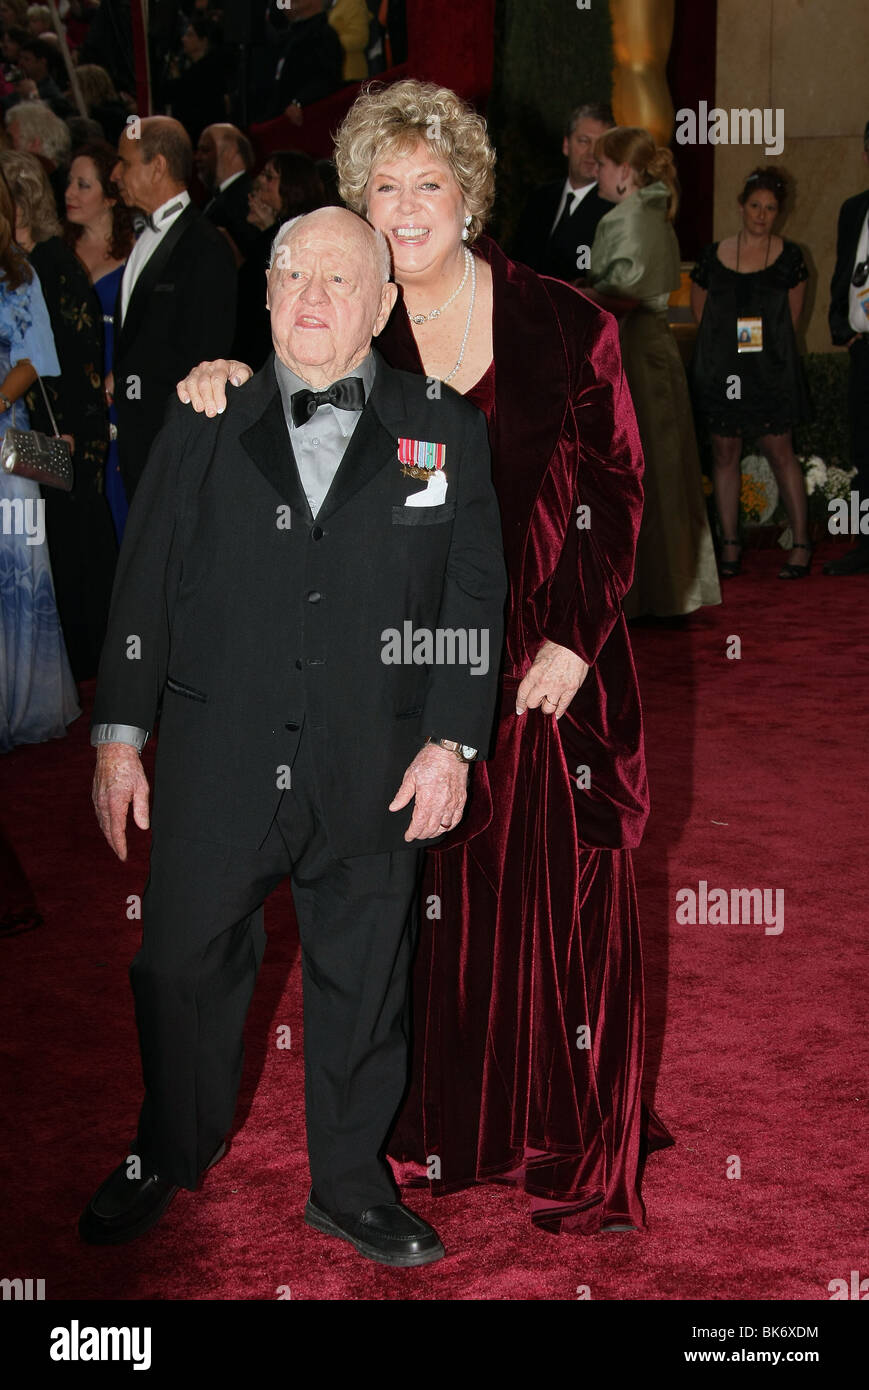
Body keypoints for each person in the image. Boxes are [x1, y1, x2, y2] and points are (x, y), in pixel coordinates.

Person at [178, 79, 673, 1236]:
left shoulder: (564, 321)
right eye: (381, 188)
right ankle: (435, 1126)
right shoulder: (346, 318)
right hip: (394, 672)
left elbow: (618, 488)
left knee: (549, 911)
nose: (404, 209)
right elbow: (273, 420)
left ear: (469, 193)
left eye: (428, 185)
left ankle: (559, 1125)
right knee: (416, 913)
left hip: (545, 666)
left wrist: (569, 639)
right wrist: (219, 381)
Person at [78, 205, 507, 1264]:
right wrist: (121, 736)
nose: (311, 298)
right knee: (176, 967)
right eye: (290, 275)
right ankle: (167, 1146)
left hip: (375, 761)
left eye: (337, 280)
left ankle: (349, 1187)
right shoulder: (206, 416)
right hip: (219, 762)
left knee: (365, 981)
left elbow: (469, 595)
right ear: (263, 293)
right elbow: (145, 593)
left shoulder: (439, 429)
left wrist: (450, 744)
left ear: (379, 306)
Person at [586, 125, 720, 617]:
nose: (595, 171)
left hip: (636, 352)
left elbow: (622, 293)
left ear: (624, 171)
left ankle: (652, 592)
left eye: (602, 164)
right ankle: (666, 588)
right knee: (660, 467)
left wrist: (569, 293)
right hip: (645, 349)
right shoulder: (645, 212)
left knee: (643, 468)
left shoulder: (631, 217)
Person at [1, 148, 116, 681]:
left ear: (18, 205)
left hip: (63, 430)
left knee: (74, 541)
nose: (69, 193)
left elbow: (71, 354)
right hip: (48, 428)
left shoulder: (48, 262)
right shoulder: (30, 263)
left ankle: (91, 659)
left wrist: (65, 429)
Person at [690, 167, 812, 580]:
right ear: (741, 206)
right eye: (755, 206)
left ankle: (800, 544)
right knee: (725, 454)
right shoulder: (712, 257)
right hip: (725, 373)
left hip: (771, 372)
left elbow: (791, 325)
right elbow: (700, 315)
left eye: (771, 208)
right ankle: (730, 544)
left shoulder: (791, 258)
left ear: (779, 213)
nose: (761, 214)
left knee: (781, 452)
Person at [111, 116, 236, 499]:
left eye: (125, 162)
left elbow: (208, 356)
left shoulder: (205, 246)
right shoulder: (143, 235)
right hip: (139, 441)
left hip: (174, 448)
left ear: (158, 166)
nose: (115, 173)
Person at [0, 169, 79, 750]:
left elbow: (41, 357)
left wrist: (1, 397)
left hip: (9, 444)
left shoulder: (18, 273)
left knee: (20, 575)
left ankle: (23, 704)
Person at [64, 138, 135, 541]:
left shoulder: (135, 254)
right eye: (70, 182)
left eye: (83, 184)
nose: (70, 193)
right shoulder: (58, 251)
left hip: (115, 389)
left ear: (111, 196)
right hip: (72, 387)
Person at [824, 120, 869, 577]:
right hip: (863, 350)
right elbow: (845, 270)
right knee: (864, 450)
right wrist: (841, 326)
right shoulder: (854, 209)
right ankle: (866, 544)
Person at [233, 150, 326, 368]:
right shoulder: (274, 233)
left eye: (269, 176)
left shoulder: (303, 234)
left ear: (292, 185)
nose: (260, 182)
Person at [512, 103, 615, 284]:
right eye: (584, 141)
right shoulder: (540, 197)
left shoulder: (614, 209)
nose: (592, 152)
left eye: (601, 144)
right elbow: (516, 260)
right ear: (566, 145)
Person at [194, 122, 259, 261]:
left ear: (229, 152)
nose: (197, 157)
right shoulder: (218, 198)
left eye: (205, 150)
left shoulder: (247, 199)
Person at [162, 16, 226, 146]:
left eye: (190, 35)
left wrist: (176, 79)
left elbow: (177, 93)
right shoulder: (191, 69)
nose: (183, 39)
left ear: (204, 41)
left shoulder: (206, 72)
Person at [5, 98, 70, 215]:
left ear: (34, 143)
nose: (6, 146)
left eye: (11, 140)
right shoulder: (60, 179)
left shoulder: (42, 187)